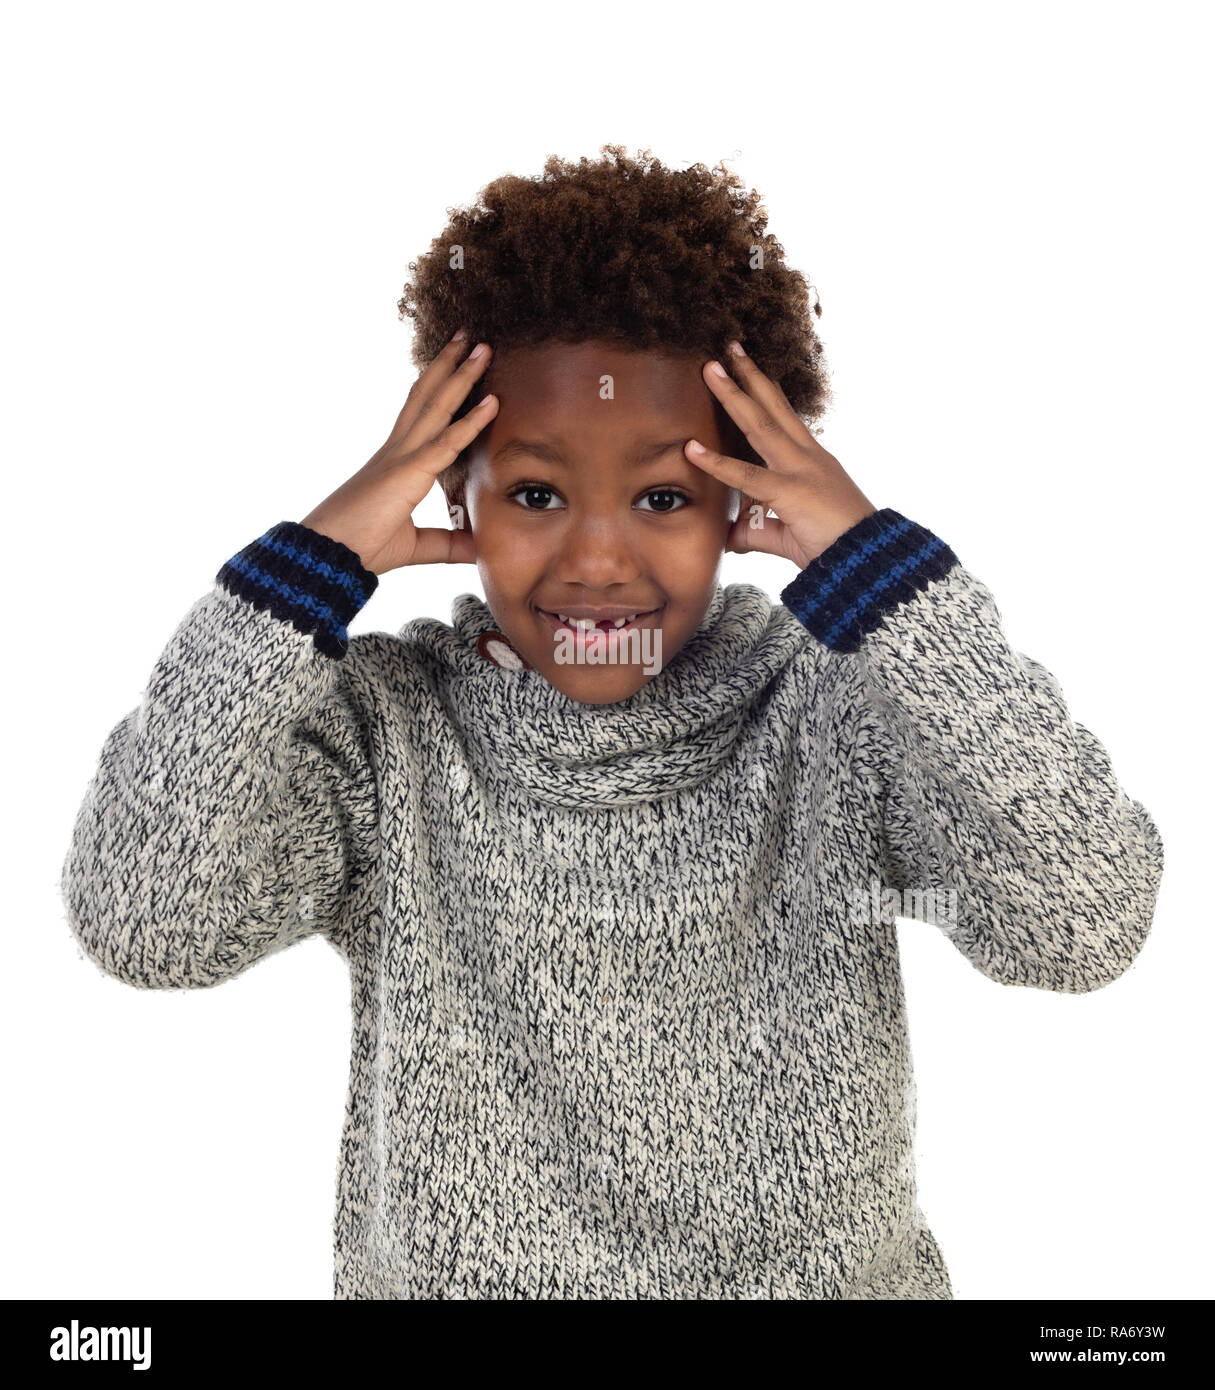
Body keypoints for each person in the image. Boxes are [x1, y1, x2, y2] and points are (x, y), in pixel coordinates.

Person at [60, 145, 1164, 1299]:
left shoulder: (841, 708)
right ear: (449, 496)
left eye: (663, 497)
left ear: (746, 502)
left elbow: (1080, 924)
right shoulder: (384, 736)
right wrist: (302, 576)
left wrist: (889, 583)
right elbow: (149, 926)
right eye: (535, 495)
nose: (596, 562)